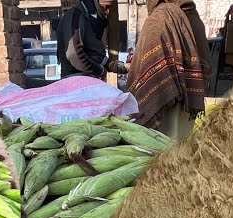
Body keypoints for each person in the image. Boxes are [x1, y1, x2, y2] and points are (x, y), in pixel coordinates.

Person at [125, 0, 209, 140]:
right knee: (181, 146)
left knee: (164, 149)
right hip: (188, 99)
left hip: (165, 98)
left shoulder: (159, 18)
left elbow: (150, 62)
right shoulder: (191, 14)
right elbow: (206, 62)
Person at [57, 0, 129, 80]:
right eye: (106, 7)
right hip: (76, 81)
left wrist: (112, 65)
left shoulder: (91, 20)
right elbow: (74, 55)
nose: (108, 12)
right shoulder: (76, 16)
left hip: (90, 80)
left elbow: (93, 53)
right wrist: (100, 71)